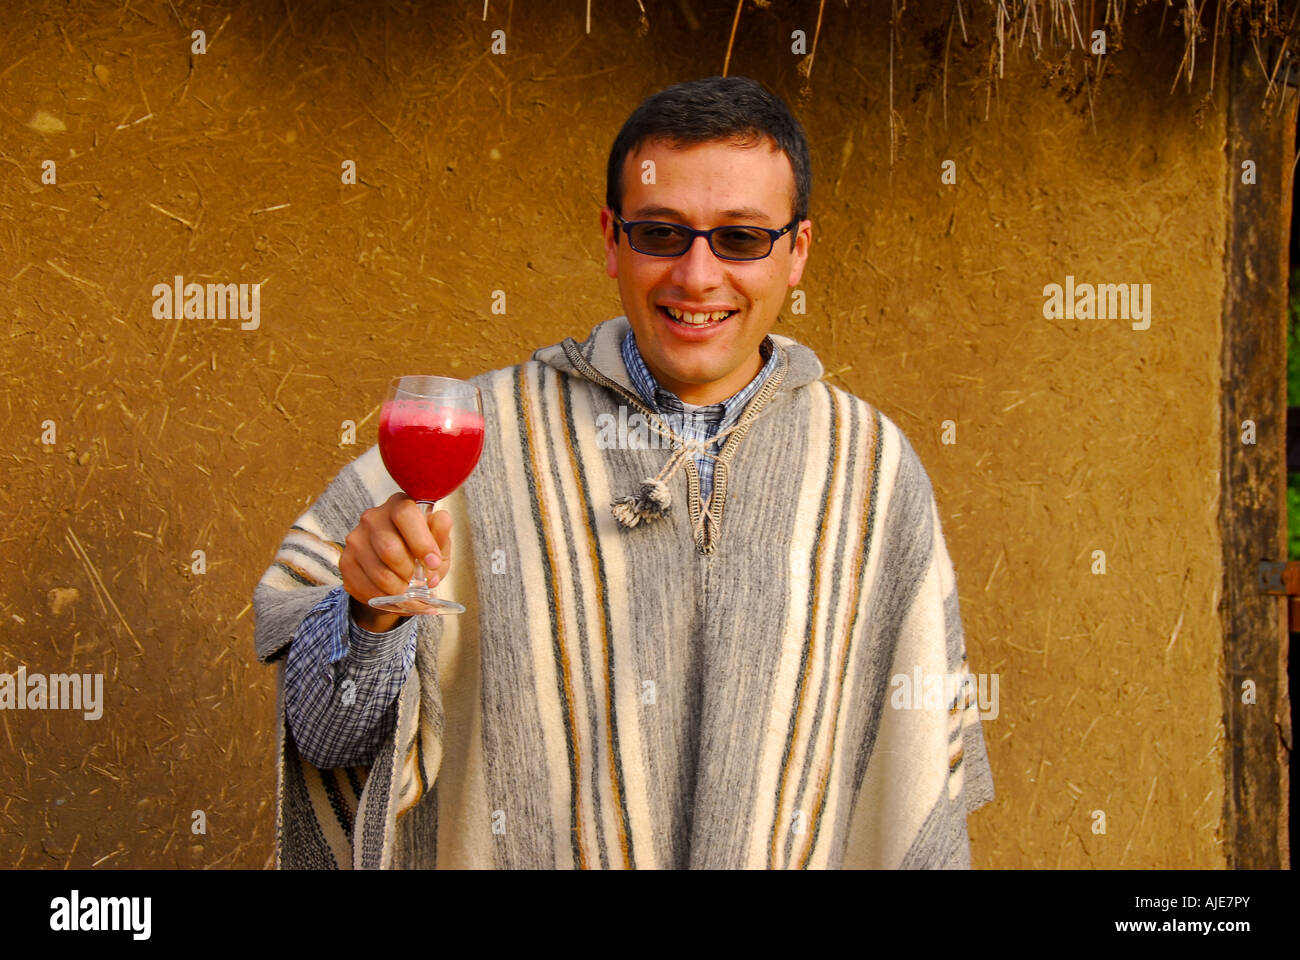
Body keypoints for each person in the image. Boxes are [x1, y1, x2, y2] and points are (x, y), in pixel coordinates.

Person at [252, 75, 994, 869]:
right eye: (661, 234)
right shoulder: (470, 442)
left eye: (741, 238)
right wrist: (369, 620)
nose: (698, 276)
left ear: (798, 251)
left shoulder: (872, 474)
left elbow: (917, 793)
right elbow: (327, 734)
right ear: (611, 240)